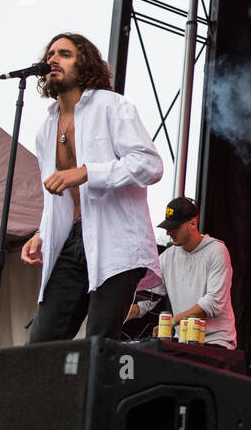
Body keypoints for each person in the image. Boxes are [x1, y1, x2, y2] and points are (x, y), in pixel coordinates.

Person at [19, 33, 163, 342]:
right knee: (42, 344)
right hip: (73, 239)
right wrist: (42, 233)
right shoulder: (45, 129)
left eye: (65, 54)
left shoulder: (112, 105)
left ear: (85, 64)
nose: (53, 60)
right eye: (51, 54)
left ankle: (95, 391)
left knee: (99, 344)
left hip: (117, 239)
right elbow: (56, 198)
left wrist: (86, 173)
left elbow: (150, 164)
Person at [127, 197, 237, 349]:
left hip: (216, 342)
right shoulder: (167, 257)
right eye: (167, 227)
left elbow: (214, 302)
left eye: (175, 227)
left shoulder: (216, 251)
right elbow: (148, 298)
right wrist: (118, 317)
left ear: (192, 224)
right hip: (183, 340)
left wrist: (172, 322)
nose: (168, 232)